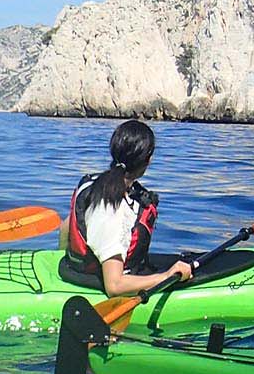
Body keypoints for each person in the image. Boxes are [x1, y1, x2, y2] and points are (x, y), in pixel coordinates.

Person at [63, 119, 194, 297]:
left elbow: (66, 226)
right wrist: (166, 276)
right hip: (100, 281)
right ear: (148, 160)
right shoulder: (115, 209)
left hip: (77, 270)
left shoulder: (91, 184)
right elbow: (114, 286)